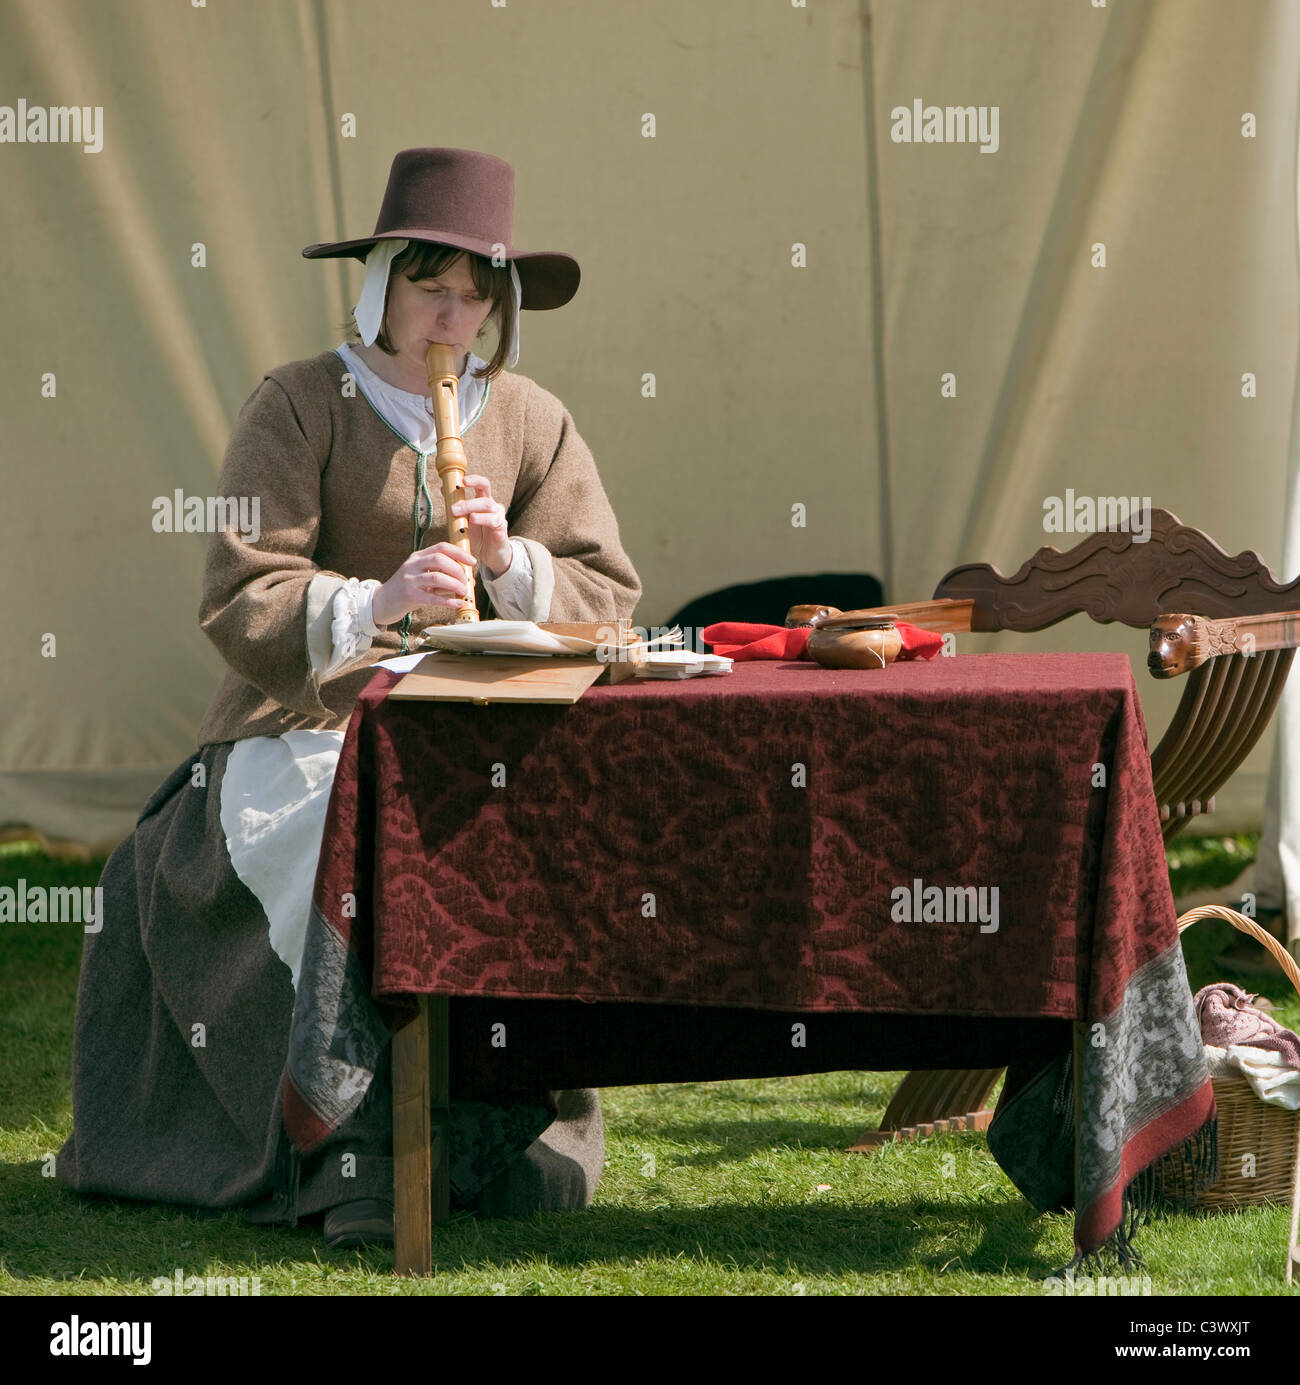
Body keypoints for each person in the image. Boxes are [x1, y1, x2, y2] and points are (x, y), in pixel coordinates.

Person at [57, 147, 642, 1248]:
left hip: (472, 734)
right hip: (301, 732)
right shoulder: (296, 402)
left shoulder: (530, 416)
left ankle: (490, 1128)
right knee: (350, 838)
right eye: (432, 288)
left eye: (477, 295)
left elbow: (609, 594)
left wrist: (510, 564)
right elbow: (239, 590)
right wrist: (374, 600)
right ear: (381, 283)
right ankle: (350, 1149)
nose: (454, 316)